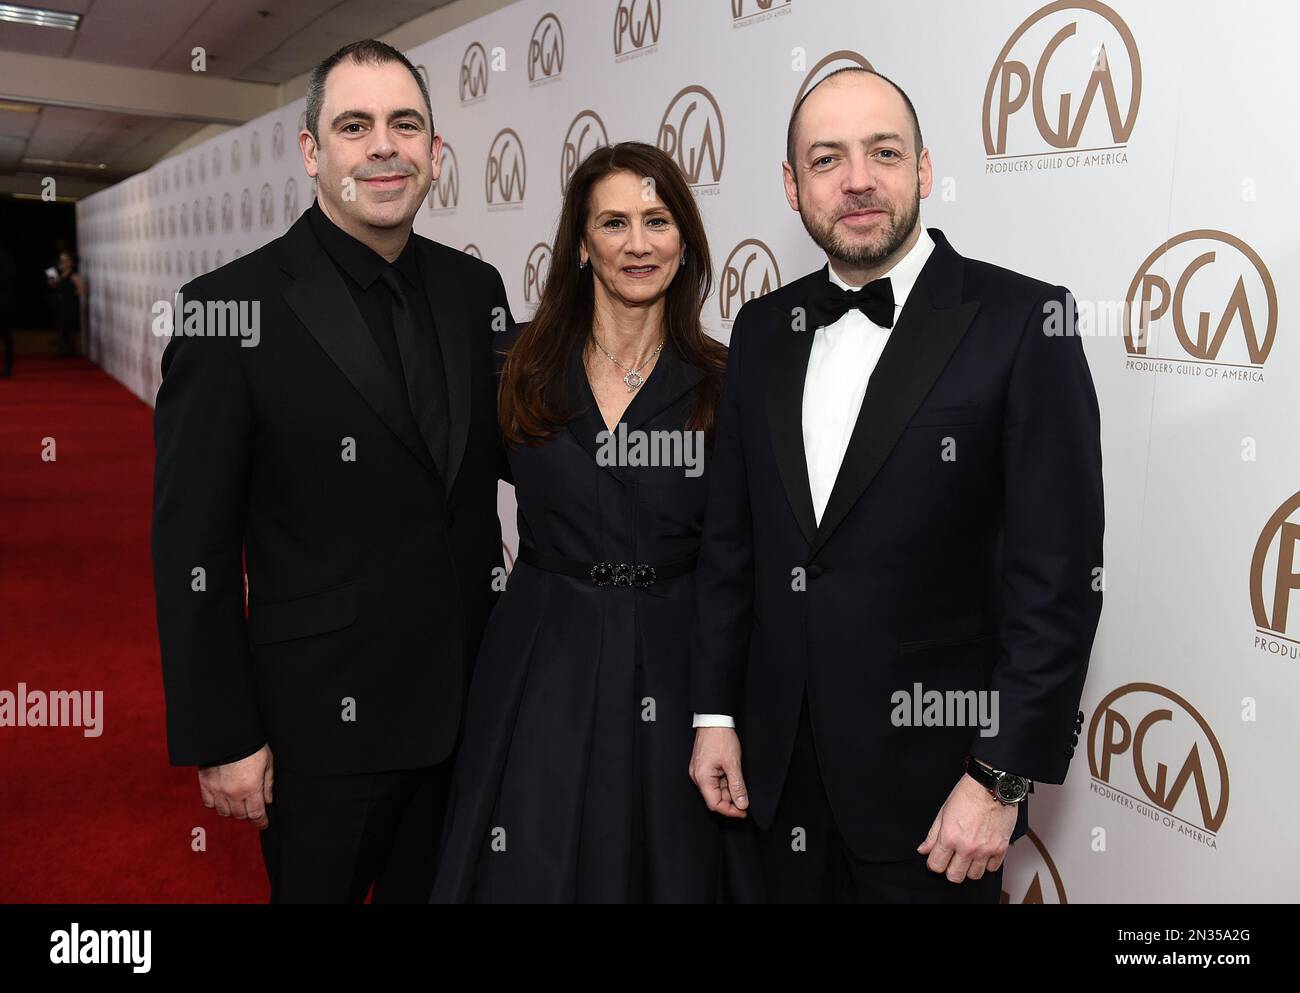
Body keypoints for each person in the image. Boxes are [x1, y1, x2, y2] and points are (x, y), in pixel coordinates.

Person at [687, 68, 1104, 903]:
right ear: (792, 185)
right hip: (775, 784)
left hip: (936, 799)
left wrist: (999, 779)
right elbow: (732, 543)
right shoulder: (762, 328)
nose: (858, 180)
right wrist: (713, 715)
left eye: (883, 151)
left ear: (923, 166)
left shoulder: (1024, 323)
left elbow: (1055, 582)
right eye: (826, 159)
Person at [152, 39, 513, 903]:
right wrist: (223, 733)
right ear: (313, 152)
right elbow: (191, 546)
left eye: (405, 125)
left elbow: (518, 458)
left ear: (435, 152)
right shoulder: (227, 310)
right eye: (356, 126)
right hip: (319, 730)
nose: (384, 146)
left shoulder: (477, 290)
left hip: (471, 709)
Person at [431, 142, 758, 903]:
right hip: (542, 659)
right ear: (581, 243)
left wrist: (724, 706)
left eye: (658, 220)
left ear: (685, 243)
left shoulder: (727, 382)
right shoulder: (513, 366)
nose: (637, 243)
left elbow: (740, 560)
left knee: (669, 865)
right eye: (613, 222)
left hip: (679, 664)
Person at [48, 249, 84, 358]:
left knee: (68, 327)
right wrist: (52, 279)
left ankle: (70, 350)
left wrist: (72, 294)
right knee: (60, 326)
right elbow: (53, 286)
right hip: (59, 304)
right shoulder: (59, 274)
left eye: (66, 261)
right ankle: (62, 348)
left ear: (71, 262)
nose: (64, 263)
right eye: (62, 261)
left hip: (69, 304)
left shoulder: (74, 276)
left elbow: (82, 290)